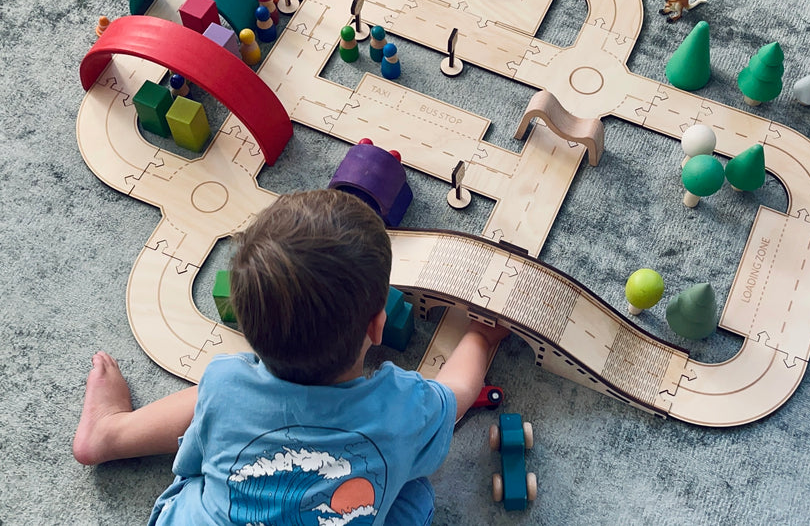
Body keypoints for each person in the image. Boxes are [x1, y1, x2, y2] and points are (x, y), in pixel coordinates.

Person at [73, 189, 509, 525]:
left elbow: (194, 467)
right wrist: (483, 333)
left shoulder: (225, 384)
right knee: (414, 497)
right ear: (377, 326)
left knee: (219, 403)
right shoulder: (403, 407)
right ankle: (111, 435)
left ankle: (112, 435)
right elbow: (459, 389)